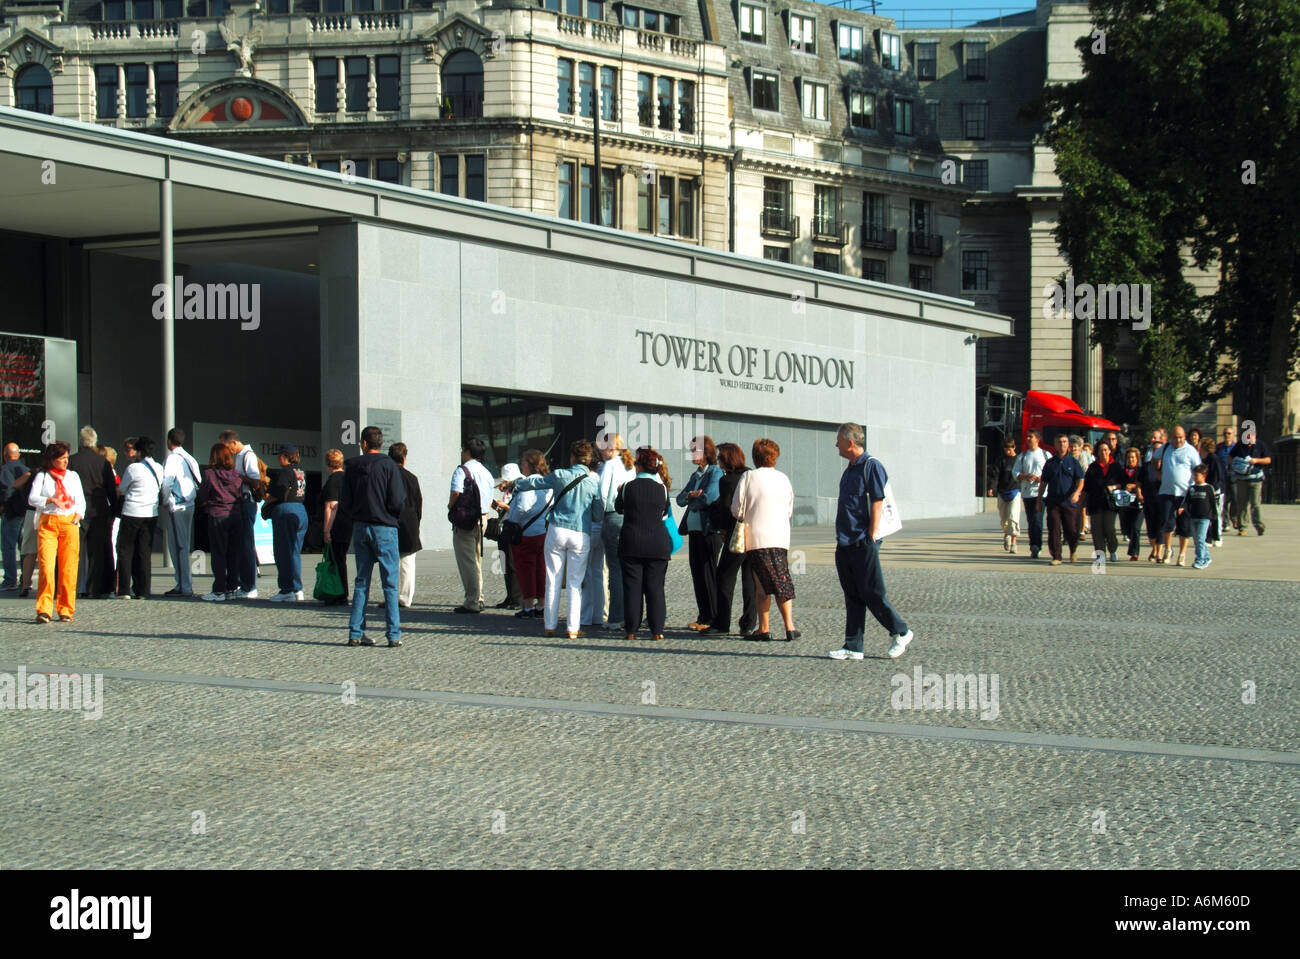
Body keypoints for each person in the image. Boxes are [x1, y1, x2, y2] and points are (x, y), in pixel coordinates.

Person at [502, 439, 603, 640]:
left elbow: (534, 482)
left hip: (557, 530)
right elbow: (598, 514)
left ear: (572, 458)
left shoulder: (559, 475)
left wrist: (515, 484)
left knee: (553, 578)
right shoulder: (593, 482)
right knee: (575, 582)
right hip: (580, 533)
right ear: (589, 459)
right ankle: (573, 628)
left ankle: (549, 625)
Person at [829, 423, 912, 660]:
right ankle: (853, 646)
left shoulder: (871, 466)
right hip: (845, 542)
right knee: (853, 595)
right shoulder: (850, 469)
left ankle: (901, 631)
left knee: (872, 592)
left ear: (850, 442)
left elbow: (877, 501)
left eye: (839, 440)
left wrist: (871, 535)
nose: (836, 444)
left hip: (862, 540)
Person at [341, 426, 406, 647]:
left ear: (364, 444)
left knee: (361, 581)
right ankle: (393, 635)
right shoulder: (389, 465)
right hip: (385, 527)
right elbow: (397, 500)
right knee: (390, 583)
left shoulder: (352, 466)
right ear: (380, 444)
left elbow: (345, 501)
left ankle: (356, 632)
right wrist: (390, 515)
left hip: (361, 526)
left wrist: (358, 515)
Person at [731, 438, 798, 642]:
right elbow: (789, 508)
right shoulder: (783, 478)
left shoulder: (749, 477)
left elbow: (736, 508)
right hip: (780, 537)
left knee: (761, 585)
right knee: (781, 579)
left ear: (755, 456)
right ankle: (790, 626)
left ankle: (764, 628)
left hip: (757, 537)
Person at [615, 446, 673, 641]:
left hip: (632, 542)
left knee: (632, 587)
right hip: (657, 542)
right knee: (655, 587)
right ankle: (657, 630)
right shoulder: (662, 488)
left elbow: (619, 509)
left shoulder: (627, 487)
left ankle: (631, 629)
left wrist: (619, 494)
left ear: (638, 467)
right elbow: (664, 514)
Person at [27, 442, 86, 624]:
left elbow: (81, 500)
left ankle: (66, 609)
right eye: (61, 458)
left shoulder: (73, 477)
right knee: (46, 566)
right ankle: (44, 609)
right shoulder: (42, 477)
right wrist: (50, 499)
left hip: (69, 523)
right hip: (49, 522)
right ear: (52, 460)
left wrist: (78, 515)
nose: (65, 461)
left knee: (68, 568)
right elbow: (32, 498)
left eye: (67, 458)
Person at [702, 442, 757, 636]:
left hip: (737, 533)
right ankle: (749, 622)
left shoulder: (727, 481)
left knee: (724, 576)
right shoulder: (751, 475)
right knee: (749, 578)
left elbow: (727, 510)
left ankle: (721, 623)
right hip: (755, 532)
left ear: (726, 459)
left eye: (719, 458)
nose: (717, 461)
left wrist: (719, 525)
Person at [676, 435, 724, 632]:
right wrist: (690, 495)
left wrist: (693, 499)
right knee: (697, 573)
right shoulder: (695, 475)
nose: (691, 454)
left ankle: (712, 617)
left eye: (695, 450)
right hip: (695, 530)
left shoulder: (715, 472)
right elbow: (680, 499)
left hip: (709, 530)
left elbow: (709, 497)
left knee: (708, 574)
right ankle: (702, 615)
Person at [68, 426, 117, 599]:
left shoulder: (73, 460)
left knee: (74, 549)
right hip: (98, 509)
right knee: (96, 551)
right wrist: (115, 509)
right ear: (94, 441)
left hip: (77, 510)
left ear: (81, 441)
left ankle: (73, 586)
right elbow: (111, 488)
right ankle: (94, 588)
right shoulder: (102, 462)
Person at [113, 436, 165, 599]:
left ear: (139, 451)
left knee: (125, 550)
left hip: (132, 512)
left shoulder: (133, 468)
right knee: (144, 552)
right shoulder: (158, 467)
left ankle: (124, 590)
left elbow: (121, 489)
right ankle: (143, 590)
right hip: (151, 514)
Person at [448, 437, 495, 614]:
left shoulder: (462, 470)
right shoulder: (487, 473)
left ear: (468, 452)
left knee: (466, 560)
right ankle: (479, 597)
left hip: (465, 519)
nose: (461, 453)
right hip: (482, 518)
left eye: (463, 450)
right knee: (476, 559)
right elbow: (489, 500)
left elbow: (455, 492)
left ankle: (472, 600)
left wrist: (450, 507)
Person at [505, 450, 553, 619]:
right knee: (540, 569)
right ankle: (541, 604)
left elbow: (522, 507)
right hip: (543, 531)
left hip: (526, 532)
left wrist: (513, 521)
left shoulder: (527, 483)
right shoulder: (547, 483)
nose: (521, 465)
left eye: (523, 462)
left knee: (525, 569)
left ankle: (527, 606)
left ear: (530, 465)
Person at [196, 443, 245, 601]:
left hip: (217, 514)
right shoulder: (236, 474)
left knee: (219, 553)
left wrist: (206, 503)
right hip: (235, 514)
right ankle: (232, 587)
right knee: (233, 553)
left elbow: (203, 494)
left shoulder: (210, 473)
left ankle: (218, 590)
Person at [596, 432, 635, 631]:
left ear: (610, 448)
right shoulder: (630, 465)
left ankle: (615, 617)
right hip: (629, 518)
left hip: (612, 516)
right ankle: (630, 614)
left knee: (615, 570)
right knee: (628, 568)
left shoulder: (610, 465)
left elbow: (602, 494)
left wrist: (599, 516)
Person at [220, 430, 263, 599]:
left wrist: (236, 476)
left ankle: (249, 586)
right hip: (241, 503)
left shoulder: (247, 455)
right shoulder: (238, 456)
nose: (225, 451)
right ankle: (243, 583)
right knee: (240, 544)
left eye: (226, 446)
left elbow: (255, 480)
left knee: (246, 544)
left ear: (233, 443)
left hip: (247, 501)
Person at [264, 444, 308, 601]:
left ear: (286, 456)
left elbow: (278, 492)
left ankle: (286, 589)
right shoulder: (301, 471)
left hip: (286, 511)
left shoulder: (284, 472)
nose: (278, 458)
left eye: (280, 455)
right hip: (301, 510)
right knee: (294, 552)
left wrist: (266, 502)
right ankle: (297, 589)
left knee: (282, 552)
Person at [162, 428, 202, 597]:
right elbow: (198, 480)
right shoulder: (190, 458)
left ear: (169, 441)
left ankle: (184, 584)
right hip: (190, 504)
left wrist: (165, 501)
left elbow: (166, 482)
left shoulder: (172, 459)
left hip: (177, 505)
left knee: (178, 545)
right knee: (184, 544)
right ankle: (184, 583)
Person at [1155, 425, 1201, 566]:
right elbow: (1154, 459)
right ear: (1171, 437)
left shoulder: (1190, 451)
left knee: (1184, 525)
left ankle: (1182, 554)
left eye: (1180, 437)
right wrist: (1159, 474)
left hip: (1184, 493)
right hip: (1167, 491)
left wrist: (1195, 486)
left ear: (1184, 437)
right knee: (1166, 522)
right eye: (1175, 437)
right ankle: (1168, 549)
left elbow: (1198, 469)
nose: (1178, 440)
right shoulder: (1165, 447)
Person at [1039, 433, 1085, 566]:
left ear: (1068, 445)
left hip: (1069, 502)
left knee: (1071, 529)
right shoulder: (1050, 463)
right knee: (1053, 528)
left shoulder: (1073, 462)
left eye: (1064, 442)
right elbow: (1043, 483)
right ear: (1055, 445)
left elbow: (1081, 480)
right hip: (1053, 501)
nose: (1062, 444)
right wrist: (1038, 501)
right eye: (1059, 442)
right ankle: (1056, 556)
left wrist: (1077, 493)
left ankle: (1073, 549)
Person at [388, 442, 423, 609]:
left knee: (389, 561)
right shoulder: (411, 477)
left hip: (391, 519)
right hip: (410, 521)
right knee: (407, 562)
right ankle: (405, 597)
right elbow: (418, 502)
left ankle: (391, 594)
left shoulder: (387, 475)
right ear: (404, 458)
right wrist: (417, 521)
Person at [1083, 440, 1125, 562]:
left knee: (1109, 528)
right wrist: (1082, 503)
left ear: (1110, 451)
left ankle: (1112, 549)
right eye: (1101, 450)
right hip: (1095, 502)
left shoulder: (1115, 466)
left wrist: (1115, 487)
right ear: (1097, 452)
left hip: (1110, 504)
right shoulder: (1093, 467)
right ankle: (1100, 555)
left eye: (1106, 450)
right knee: (1096, 531)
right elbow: (1086, 487)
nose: (1104, 452)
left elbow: (1123, 482)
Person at [320, 448, 352, 606]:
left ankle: (337, 593)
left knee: (335, 560)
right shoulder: (347, 478)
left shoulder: (333, 480)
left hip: (336, 525)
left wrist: (326, 530)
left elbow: (331, 506)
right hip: (347, 524)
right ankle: (341, 592)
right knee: (341, 559)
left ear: (328, 463)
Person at [0, 442, 32, 591]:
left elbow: (6, 491)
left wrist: (3, 506)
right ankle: (26, 579)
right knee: (24, 547)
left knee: (8, 547)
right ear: (18, 455)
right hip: (25, 513)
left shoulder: (5, 469)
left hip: (12, 513)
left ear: (5, 455)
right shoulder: (27, 470)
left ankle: (10, 580)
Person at [1228, 428, 1271, 536]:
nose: (1248, 441)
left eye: (1250, 437)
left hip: (1256, 479)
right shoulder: (1239, 445)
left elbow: (1268, 460)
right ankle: (1242, 527)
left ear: (1254, 436)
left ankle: (1259, 525)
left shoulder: (1261, 445)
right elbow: (1230, 457)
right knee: (1242, 504)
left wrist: (1256, 460)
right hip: (1242, 479)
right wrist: (1234, 465)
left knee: (1255, 503)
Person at [1012, 429, 1048, 558]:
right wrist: (1025, 476)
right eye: (1027, 437)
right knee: (1031, 520)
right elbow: (1015, 473)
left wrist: (1041, 478)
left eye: (1030, 437)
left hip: (1041, 494)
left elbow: (1050, 472)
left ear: (1037, 439)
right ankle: (1033, 544)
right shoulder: (1023, 456)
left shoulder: (1045, 455)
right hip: (1027, 494)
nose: (1027, 439)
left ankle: (1036, 546)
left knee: (1037, 520)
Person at [989, 436, 1021, 553]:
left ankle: (1014, 542)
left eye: (1010, 449)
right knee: (1004, 520)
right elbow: (995, 475)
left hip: (1015, 491)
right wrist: (991, 488)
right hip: (1002, 491)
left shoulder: (1018, 460)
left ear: (1014, 447)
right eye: (1006, 449)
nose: (1008, 451)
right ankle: (1006, 534)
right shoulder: (1001, 460)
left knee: (1013, 517)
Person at [1185, 463, 1217, 570]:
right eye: (1194, 475)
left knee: (1200, 538)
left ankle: (1200, 559)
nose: (1194, 477)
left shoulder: (1208, 488)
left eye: (1197, 475)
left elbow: (1213, 503)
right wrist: (1183, 509)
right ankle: (1207, 556)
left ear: (1203, 475)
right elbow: (1187, 501)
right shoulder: (1192, 488)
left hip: (1205, 517)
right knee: (1197, 540)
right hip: (1193, 516)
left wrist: (1213, 517)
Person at [1140, 429, 1166, 562]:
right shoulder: (1146, 462)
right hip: (1148, 496)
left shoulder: (1166, 463)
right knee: (1150, 524)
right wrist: (1140, 492)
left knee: (1160, 524)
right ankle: (1154, 549)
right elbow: (1140, 479)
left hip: (1162, 496)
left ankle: (1160, 551)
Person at [1196, 437, 1225, 547]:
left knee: (1216, 514)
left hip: (1215, 491)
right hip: (1206, 489)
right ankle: (1208, 537)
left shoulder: (1213, 459)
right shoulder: (1202, 459)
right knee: (1206, 515)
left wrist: (1213, 489)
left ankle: (1217, 537)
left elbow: (1217, 477)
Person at [1118, 447, 1144, 560]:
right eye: (1129, 457)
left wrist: (1134, 486)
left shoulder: (1141, 471)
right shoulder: (1122, 471)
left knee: (1135, 528)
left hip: (1138, 503)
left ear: (1137, 459)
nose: (1131, 459)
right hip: (1124, 504)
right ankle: (1131, 541)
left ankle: (1134, 552)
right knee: (1127, 529)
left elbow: (1144, 484)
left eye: (1133, 457)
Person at [1215, 426, 1236, 538]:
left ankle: (1234, 517)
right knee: (1224, 500)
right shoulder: (1219, 447)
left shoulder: (1236, 447)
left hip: (1234, 476)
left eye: (1229, 433)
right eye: (1225, 433)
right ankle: (1226, 522)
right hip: (1222, 477)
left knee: (1235, 499)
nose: (1227, 435)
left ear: (1233, 435)